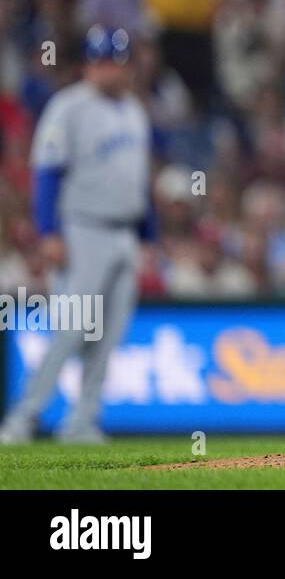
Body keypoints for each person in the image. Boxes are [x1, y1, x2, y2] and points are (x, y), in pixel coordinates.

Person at [0, 26, 154, 444]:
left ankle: (82, 421)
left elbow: (138, 181)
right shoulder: (68, 107)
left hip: (125, 233)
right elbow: (47, 173)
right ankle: (22, 420)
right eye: (104, 61)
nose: (113, 70)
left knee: (109, 335)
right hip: (83, 230)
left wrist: (148, 235)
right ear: (89, 64)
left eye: (119, 61)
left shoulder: (134, 111)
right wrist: (48, 231)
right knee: (71, 330)